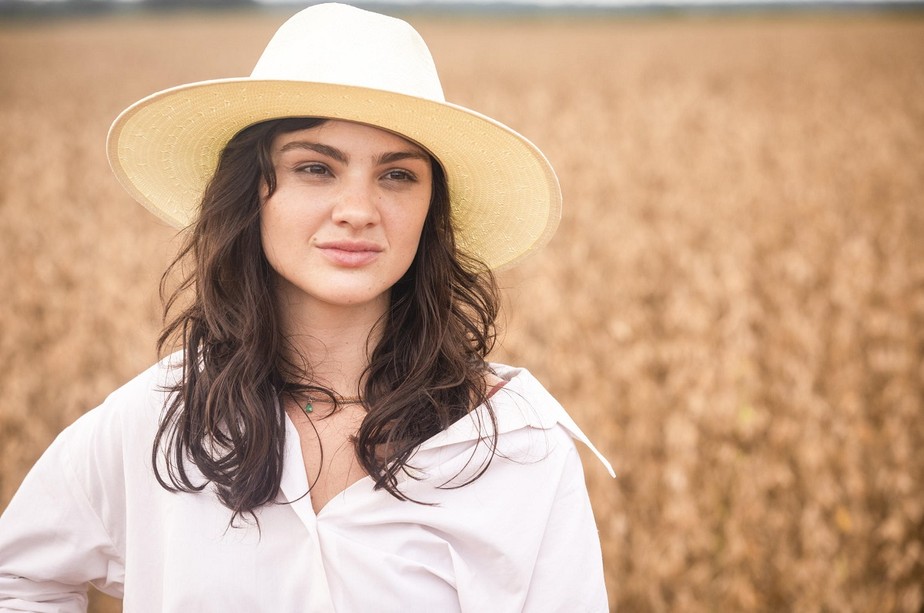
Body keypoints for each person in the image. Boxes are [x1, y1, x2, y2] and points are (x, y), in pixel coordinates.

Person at [0, 4, 614, 612]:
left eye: (398, 176)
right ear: (252, 195)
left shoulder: (515, 446)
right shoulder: (159, 419)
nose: (358, 209)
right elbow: (18, 580)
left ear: (432, 211)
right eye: (315, 168)